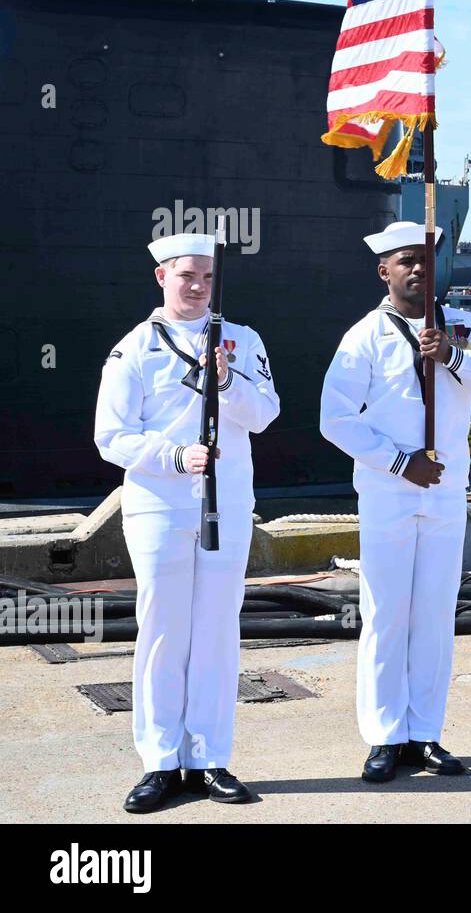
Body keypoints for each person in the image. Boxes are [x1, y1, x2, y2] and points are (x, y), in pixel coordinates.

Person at [320, 221, 471, 783]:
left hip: (445, 490)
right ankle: (386, 736)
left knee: (434, 613)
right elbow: (334, 419)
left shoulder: (466, 326)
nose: (418, 270)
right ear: (384, 270)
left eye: (426, 260)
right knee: (387, 614)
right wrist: (399, 460)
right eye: (405, 261)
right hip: (389, 490)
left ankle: (425, 732)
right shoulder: (363, 336)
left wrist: (456, 358)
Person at [95, 231, 280, 813]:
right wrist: (173, 456)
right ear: (162, 278)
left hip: (225, 502)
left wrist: (226, 379)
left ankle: (208, 757)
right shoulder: (134, 348)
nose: (198, 287)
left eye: (206, 277)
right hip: (159, 503)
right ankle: (159, 761)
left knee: (218, 629)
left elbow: (266, 414)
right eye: (187, 276)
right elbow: (110, 435)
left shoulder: (241, 341)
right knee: (163, 632)